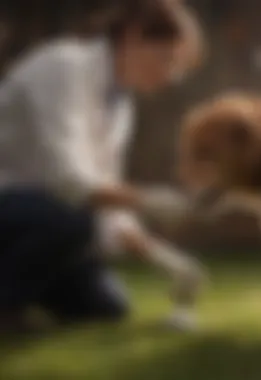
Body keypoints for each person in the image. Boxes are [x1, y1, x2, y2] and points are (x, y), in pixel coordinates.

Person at [0, 0, 205, 333]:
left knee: (107, 308)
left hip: (39, 217)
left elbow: (107, 203)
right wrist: (149, 199)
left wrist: (164, 259)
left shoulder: (122, 106)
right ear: (133, 37)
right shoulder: (62, 66)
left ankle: (19, 288)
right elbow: (69, 182)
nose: (173, 77)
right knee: (71, 217)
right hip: (14, 204)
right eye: (167, 59)